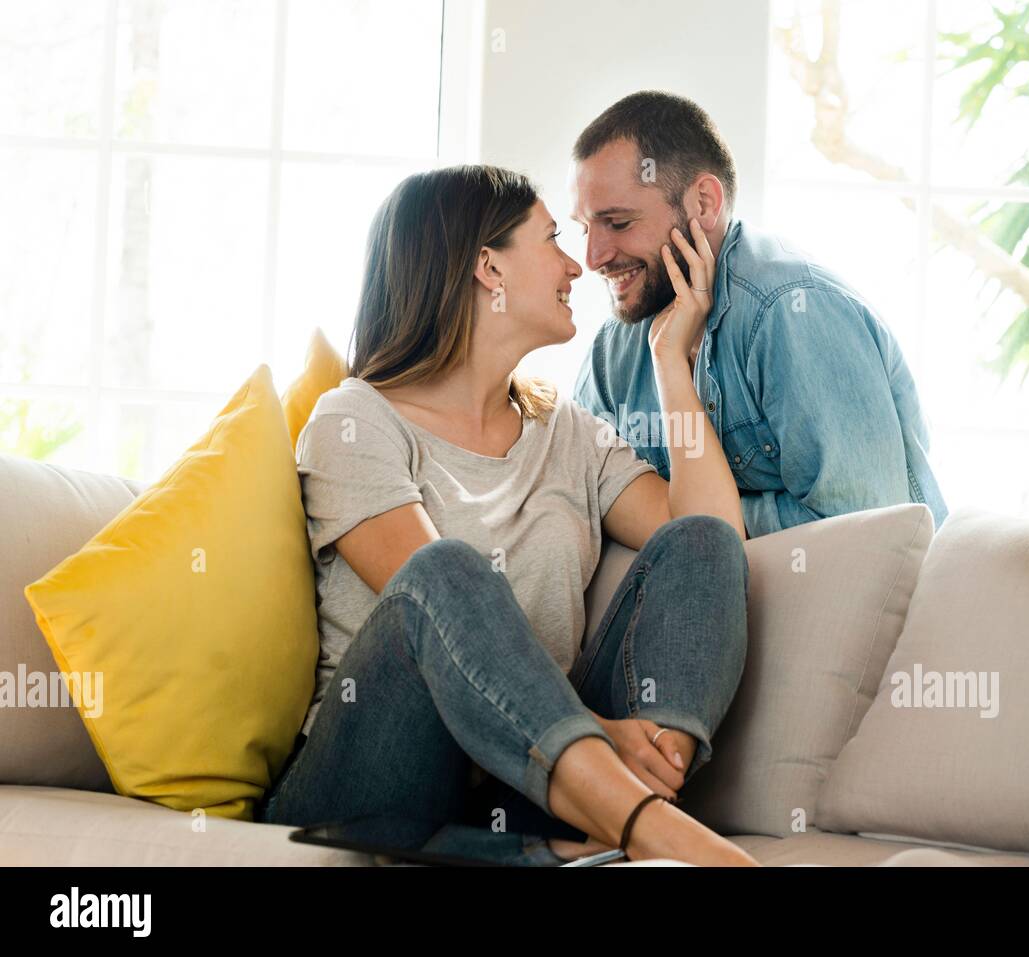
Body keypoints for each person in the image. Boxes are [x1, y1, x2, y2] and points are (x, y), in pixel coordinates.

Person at [255, 164, 759, 867]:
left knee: (700, 543)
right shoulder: (355, 421)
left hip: (528, 789)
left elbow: (716, 536)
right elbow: (434, 607)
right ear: (488, 267)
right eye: (553, 237)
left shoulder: (568, 432)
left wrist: (671, 358)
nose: (577, 264)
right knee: (446, 571)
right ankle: (655, 837)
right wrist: (599, 735)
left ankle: (602, 831)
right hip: (375, 781)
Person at [571, 90, 948, 536]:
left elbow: (867, 532)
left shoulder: (792, 310)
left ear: (704, 203)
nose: (593, 257)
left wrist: (697, 518)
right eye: (584, 227)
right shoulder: (617, 346)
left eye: (619, 223)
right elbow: (584, 497)